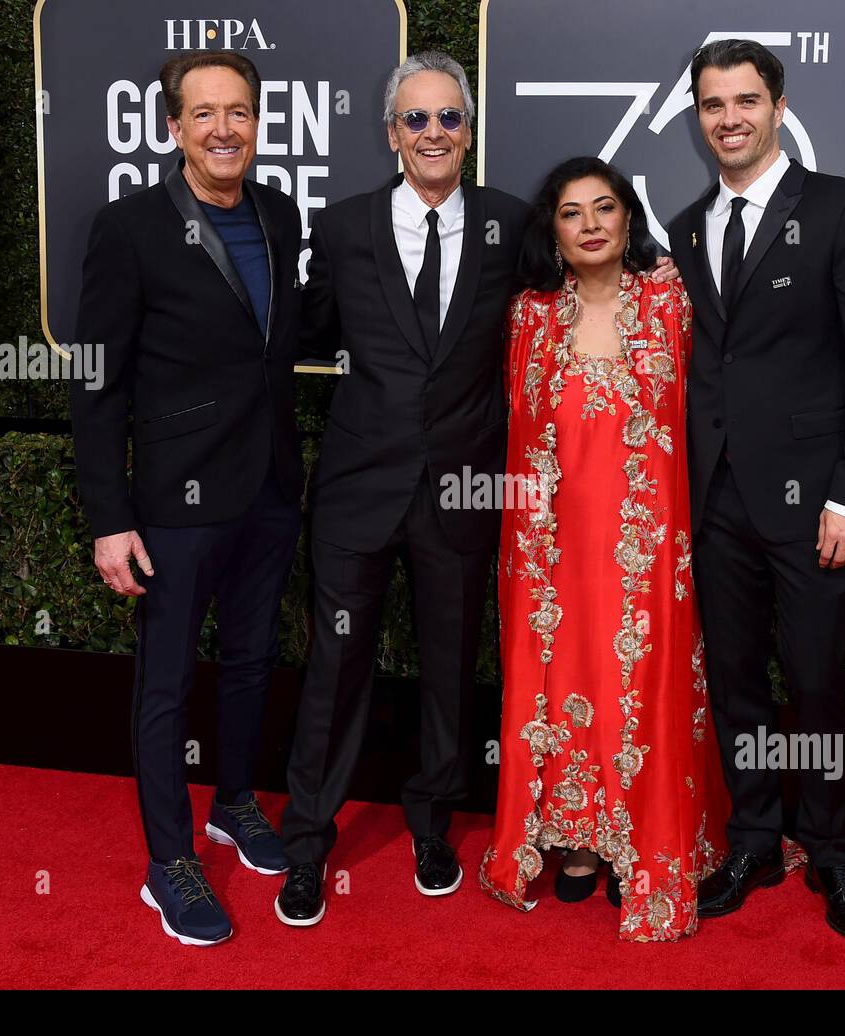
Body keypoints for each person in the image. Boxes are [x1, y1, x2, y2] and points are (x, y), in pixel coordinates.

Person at [275, 51, 685, 928]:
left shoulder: (509, 228)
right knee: (334, 670)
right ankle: (306, 842)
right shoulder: (343, 225)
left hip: (464, 492)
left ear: (469, 130)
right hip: (356, 488)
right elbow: (296, 331)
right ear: (391, 134)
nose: (433, 133)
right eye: (415, 120)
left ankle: (432, 825)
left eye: (448, 118)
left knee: (450, 668)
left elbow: (579, 314)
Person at [667, 39, 845, 943]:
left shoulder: (843, 212)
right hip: (717, 501)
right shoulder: (687, 228)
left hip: (816, 507)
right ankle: (754, 839)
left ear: (776, 106)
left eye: (745, 100)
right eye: (712, 104)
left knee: (815, 683)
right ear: (697, 117)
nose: (728, 117)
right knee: (735, 682)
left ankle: (832, 850)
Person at [69, 51, 304, 946]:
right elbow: (97, 382)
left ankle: (233, 802)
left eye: (238, 112)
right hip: (172, 500)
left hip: (270, 487)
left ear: (256, 121)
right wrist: (108, 516)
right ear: (172, 127)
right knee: (165, 684)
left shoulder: (279, 214)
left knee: (251, 661)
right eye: (203, 113)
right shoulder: (127, 229)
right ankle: (169, 859)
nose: (223, 129)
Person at [480, 158, 731, 942]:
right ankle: (578, 841)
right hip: (551, 548)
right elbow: (519, 434)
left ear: (629, 219)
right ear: (550, 230)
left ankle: (646, 846)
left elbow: (711, 409)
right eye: (570, 212)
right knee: (563, 673)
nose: (590, 223)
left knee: (642, 680)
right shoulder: (529, 313)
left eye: (605, 208)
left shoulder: (670, 300)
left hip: (646, 545)